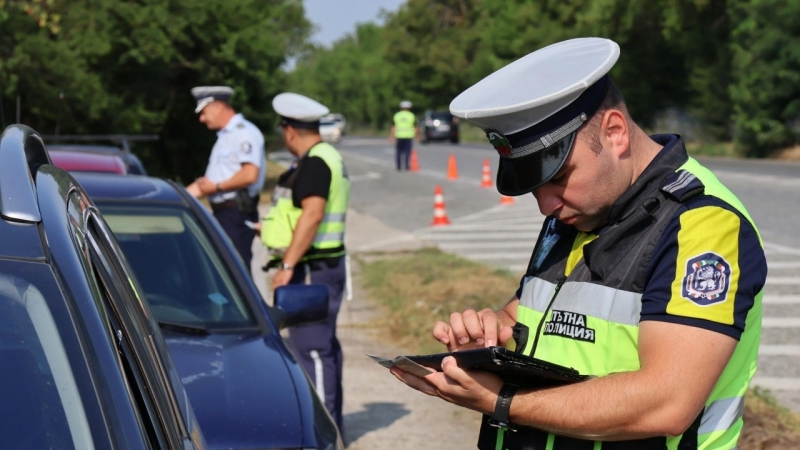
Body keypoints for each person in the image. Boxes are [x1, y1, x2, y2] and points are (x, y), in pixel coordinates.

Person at [390, 38, 767, 449]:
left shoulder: (702, 225)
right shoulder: (581, 207)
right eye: (534, 187)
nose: (546, 205)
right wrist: (490, 329)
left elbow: (666, 403)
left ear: (615, 133)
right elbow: (531, 315)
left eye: (558, 177)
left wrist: (502, 401)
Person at [261, 92, 350, 433]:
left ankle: (325, 432)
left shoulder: (315, 162)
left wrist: (286, 267)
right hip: (323, 266)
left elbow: (312, 215)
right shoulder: (326, 156)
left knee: (312, 349)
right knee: (322, 346)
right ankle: (331, 426)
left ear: (289, 131)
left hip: (313, 268)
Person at [186, 86, 266, 267]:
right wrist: (173, 197)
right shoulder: (225, 136)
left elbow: (250, 174)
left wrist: (217, 188)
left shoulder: (244, 133)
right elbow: (207, 183)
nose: (202, 119)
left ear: (217, 107)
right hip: (224, 213)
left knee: (236, 269)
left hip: (235, 213)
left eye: (204, 112)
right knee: (223, 268)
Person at [390, 100, 418, 171]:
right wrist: (417, 135)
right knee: (407, 152)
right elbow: (415, 127)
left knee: (399, 151)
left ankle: (398, 166)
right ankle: (406, 166)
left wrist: (392, 136)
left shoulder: (397, 115)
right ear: (409, 108)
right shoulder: (411, 115)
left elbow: (393, 127)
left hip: (399, 135)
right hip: (409, 136)